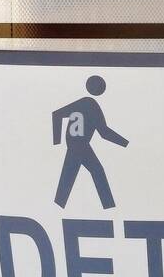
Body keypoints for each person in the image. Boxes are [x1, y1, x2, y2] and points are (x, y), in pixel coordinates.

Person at [52, 75, 128, 209]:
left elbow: (56, 115)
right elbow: (104, 133)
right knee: (94, 171)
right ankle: (109, 206)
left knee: (74, 173)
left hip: (75, 144)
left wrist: (57, 141)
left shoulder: (82, 102)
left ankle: (59, 204)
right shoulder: (93, 106)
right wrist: (125, 143)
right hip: (80, 145)